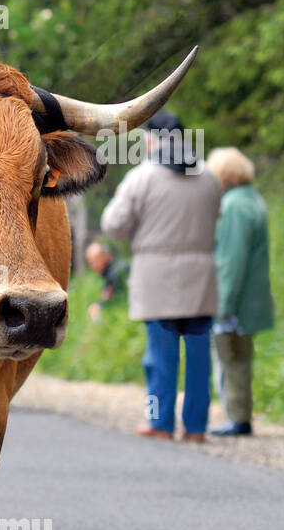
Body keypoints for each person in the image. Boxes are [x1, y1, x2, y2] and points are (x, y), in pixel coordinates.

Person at [100, 110, 220, 441]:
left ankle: (159, 421)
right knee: (198, 359)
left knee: (159, 358)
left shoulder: (142, 177)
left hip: (157, 278)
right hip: (202, 278)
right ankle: (196, 427)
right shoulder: (209, 175)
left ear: (151, 139)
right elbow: (217, 218)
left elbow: (113, 225)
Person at [205, 147, 274, 436]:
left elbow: (231, 261)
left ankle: (237, 418)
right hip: (252, 297)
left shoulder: (233, 205)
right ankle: (240, 415)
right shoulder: (253, 199)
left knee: (230, 358)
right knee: (242, 358)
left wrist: (223, 304)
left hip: (235, 301)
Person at [84, 241, 128, 322]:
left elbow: (115, 302)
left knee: (94, 310)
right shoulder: (111, 270)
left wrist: (98, 306)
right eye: (90, 263)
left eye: (95, 261)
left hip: (126, 316)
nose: (92, 266)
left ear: (106, 256)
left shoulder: (116, 273)